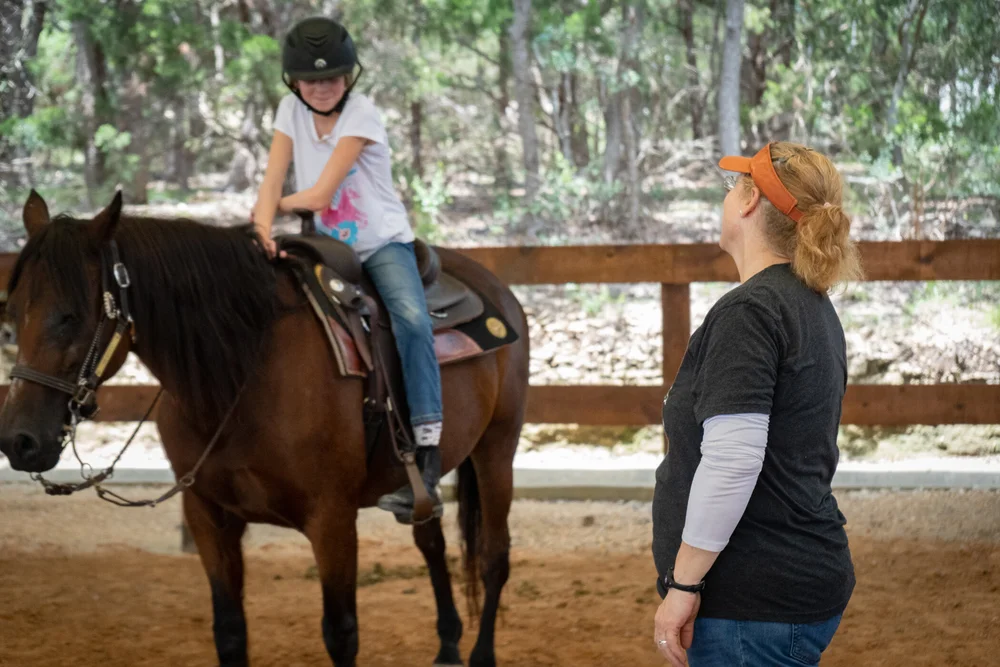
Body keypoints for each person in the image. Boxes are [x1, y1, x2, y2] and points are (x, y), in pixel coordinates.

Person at [651, 142, 863, 666]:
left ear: (749, 202)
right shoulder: (808, 302)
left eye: (733, 187)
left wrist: (683, 584)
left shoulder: (752, 310)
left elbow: (732, 460)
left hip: (752, 602)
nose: (726, 199)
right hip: (788, 584)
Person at [252, 16, 443, 524]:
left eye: (332, 78)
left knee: (411, 321)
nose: (321, 87)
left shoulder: (362, 115)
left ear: (349, 78)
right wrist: (261, 229)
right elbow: (272, 174)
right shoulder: (289, 111)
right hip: (320, 243)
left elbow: (317, 194)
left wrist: (268, 212)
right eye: (312, 80)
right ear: (293, 82)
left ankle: (428, 450)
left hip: (379, 242)